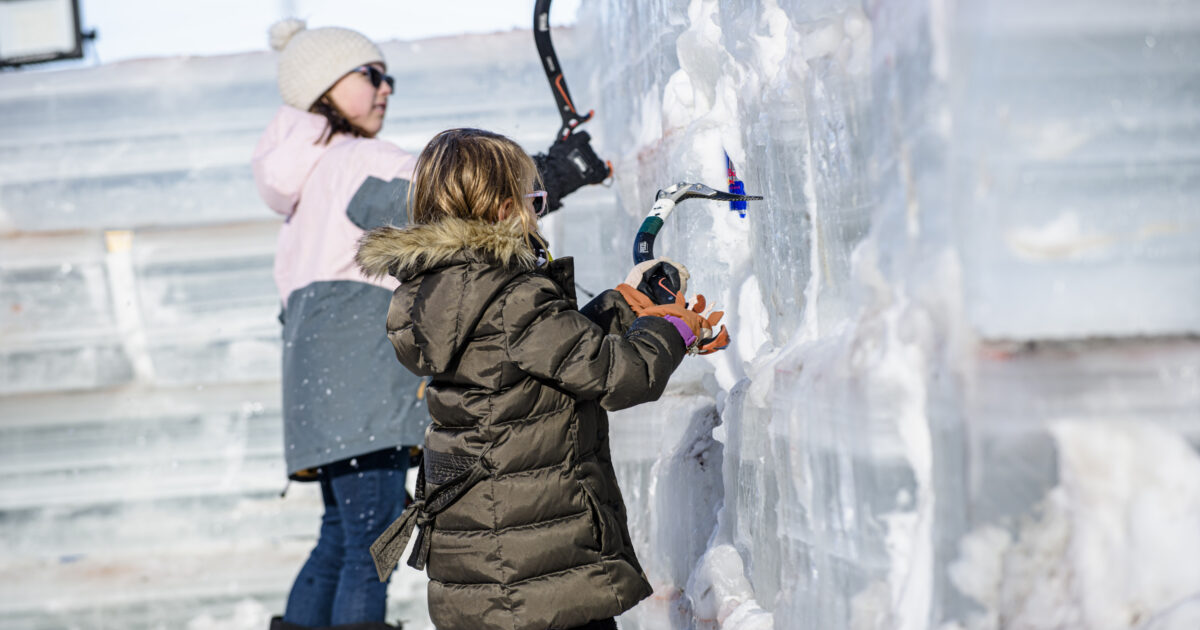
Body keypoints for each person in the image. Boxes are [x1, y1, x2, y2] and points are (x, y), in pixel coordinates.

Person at [252, 20, 608, 630]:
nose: (386, 87)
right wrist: (556, 172)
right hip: (362, 391)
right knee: (370, 542)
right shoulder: (357, 160)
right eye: (371, 75)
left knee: (340, 535)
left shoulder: (306, 183)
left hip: (321, 397)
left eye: (387, 76)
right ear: (321, 87)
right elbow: (457, 203)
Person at [355, 128, 729, 630]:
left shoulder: (447, 294)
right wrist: (674, 328)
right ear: (506, 209)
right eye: (535, 200)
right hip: (540, 569)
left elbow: (547, 357)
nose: (539, 212)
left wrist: (624, 304)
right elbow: (620, 376)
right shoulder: (512, 297)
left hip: (487, 562)